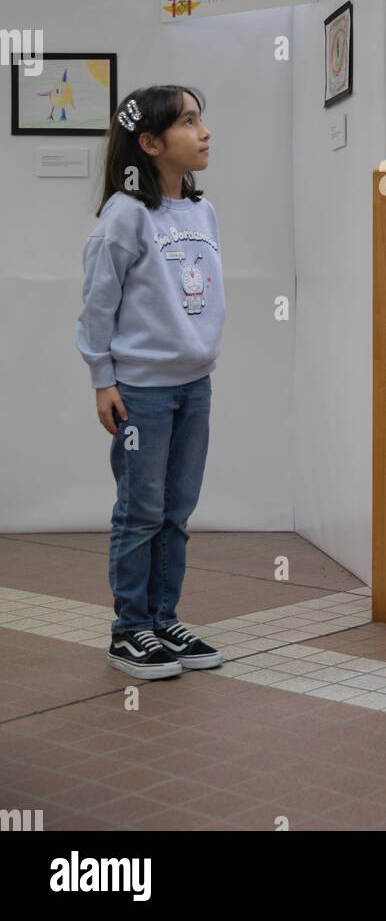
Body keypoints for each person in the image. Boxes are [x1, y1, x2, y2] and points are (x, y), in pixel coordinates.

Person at [75, 85, 226, 680]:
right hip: (140, 391)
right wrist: (102, 380)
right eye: (189, 122)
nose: (204, 132)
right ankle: (128, 630)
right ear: (151, 142)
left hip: (195, 385)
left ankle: (163, 620)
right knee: (140, 511)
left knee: (176, 510)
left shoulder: (202, 210)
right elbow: (96, 308)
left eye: (200, 119)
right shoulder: (124, 216)